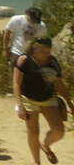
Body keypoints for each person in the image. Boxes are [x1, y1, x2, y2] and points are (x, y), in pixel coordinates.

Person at [13, 37, 72, 165]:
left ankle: (45, 145)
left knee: (59, 131)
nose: (46, 55)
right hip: (29, 99)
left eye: (48, 52)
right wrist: (20, 105)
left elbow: (59, 84)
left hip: (48, 98)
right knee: (33, 132)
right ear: (34, 49)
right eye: (42, 52)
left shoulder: (52, 62)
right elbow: (16, 83)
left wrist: (70, 103)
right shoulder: (24, 60)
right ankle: (37, 162)